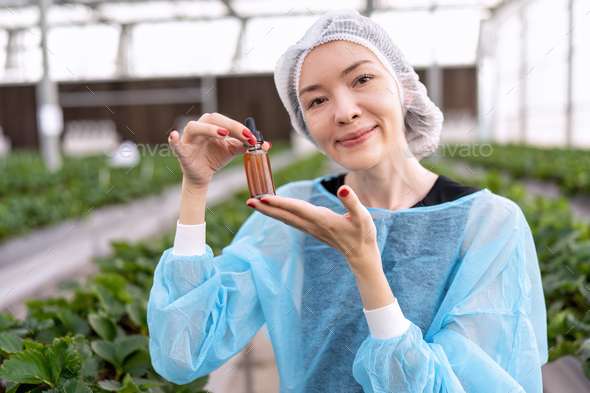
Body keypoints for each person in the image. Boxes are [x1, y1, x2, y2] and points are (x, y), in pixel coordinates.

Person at [147, 9, 547, 392]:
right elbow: (185, 352)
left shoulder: (489, 223)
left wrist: (364, 264)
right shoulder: (293, 211)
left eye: (362, 79)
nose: (344, 112)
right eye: (316, 100)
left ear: (405, 89)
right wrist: (195, 189)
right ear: (304, 124)